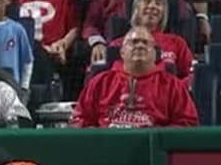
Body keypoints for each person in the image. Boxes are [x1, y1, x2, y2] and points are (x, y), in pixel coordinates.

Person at [72, 26, 201, 127]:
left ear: (155, 54)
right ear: (122, 52)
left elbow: (188, 124)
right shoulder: (99, 82)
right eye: (133, 42)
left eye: (145, 43)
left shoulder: (173, 86)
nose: (140, 45)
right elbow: (80, 120)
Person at [105, 0, 194, 79]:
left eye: (158, 3)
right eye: (147, 1)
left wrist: (175, 89)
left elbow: (192, 76)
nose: (152, 6)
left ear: (163, 13)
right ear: (136, 9)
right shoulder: (118, 44)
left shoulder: (177, 43)